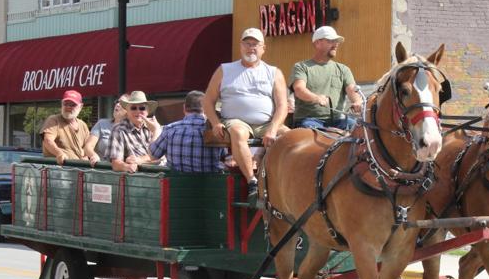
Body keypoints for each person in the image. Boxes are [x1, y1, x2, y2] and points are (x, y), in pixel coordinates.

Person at [202, 27, 289, 196]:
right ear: (241, 47)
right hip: (236, 120)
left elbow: (282, 106)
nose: (251, 48)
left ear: (263, 48)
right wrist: (215, 122)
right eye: (247, 44)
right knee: (237, 132)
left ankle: (283, 179)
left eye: (255, 44)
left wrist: (272, 128)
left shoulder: (273, 72)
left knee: (291, 136)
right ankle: (252, 181)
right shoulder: (224, 70)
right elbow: (208, 100)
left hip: (267, 123)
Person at [290, 25, 362, 131]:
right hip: (310, 120)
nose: (336, 44)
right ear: (317, 43)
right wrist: (316, 98)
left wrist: (357, 102)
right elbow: (299, 90)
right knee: (314, 136)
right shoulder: (301, 67)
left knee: (360, 130)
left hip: (339, 121)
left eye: (336, 41)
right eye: (331, 41)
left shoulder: (343, 69)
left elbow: (352, 90)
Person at [149, 90, 226, 173]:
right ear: (206, 109)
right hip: (210, 185)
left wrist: (156, 130)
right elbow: (226, 158)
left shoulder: (170, 129)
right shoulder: (215, 131)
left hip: (177, 185)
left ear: (184, 107)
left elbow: (153, 156)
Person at [40, 89, 100, 166]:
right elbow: (48, 141)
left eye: (72, 105)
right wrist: (59, 153)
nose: (68, 107)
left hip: (78, 171)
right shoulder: (54, 120)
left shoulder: (83, 125)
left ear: (80, 106)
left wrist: (91, 156)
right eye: (65, 104)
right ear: (61, 104)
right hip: (58, 171)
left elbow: (87, 148)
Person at [108, 90, 163, 173]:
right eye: (133, 108)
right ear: (127, 111)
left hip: (160, 174)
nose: (138, 111)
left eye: (142, 108)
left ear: (147, 111)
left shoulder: (155, 126)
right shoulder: (118, 129)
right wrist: (127, 167)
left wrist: (140, 160)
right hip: (138, 179)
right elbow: (116, 164)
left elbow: (161, 156)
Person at [88, 94, 127, 161]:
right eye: (117, 101)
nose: (117, 104)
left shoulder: (133, 129)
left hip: (125, 170)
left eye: (122, 103)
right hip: (102, 169)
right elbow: (88, 146)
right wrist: (93, 155)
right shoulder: (102, 123)